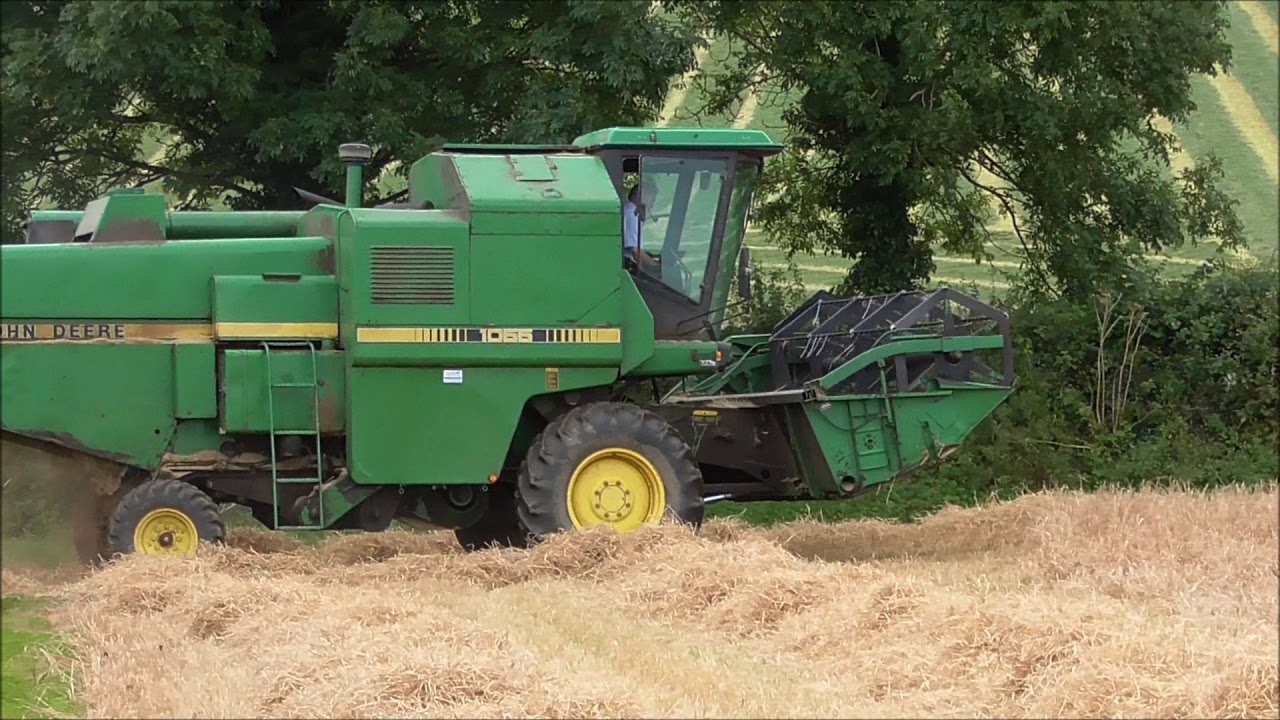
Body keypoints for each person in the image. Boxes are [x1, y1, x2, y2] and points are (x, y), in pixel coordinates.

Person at [623, 178, 658, 270]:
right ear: (640, 195)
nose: (652, 204)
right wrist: (656, 265)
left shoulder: (630, 211)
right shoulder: (632, 213)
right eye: (652, 199)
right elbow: (635, 250)